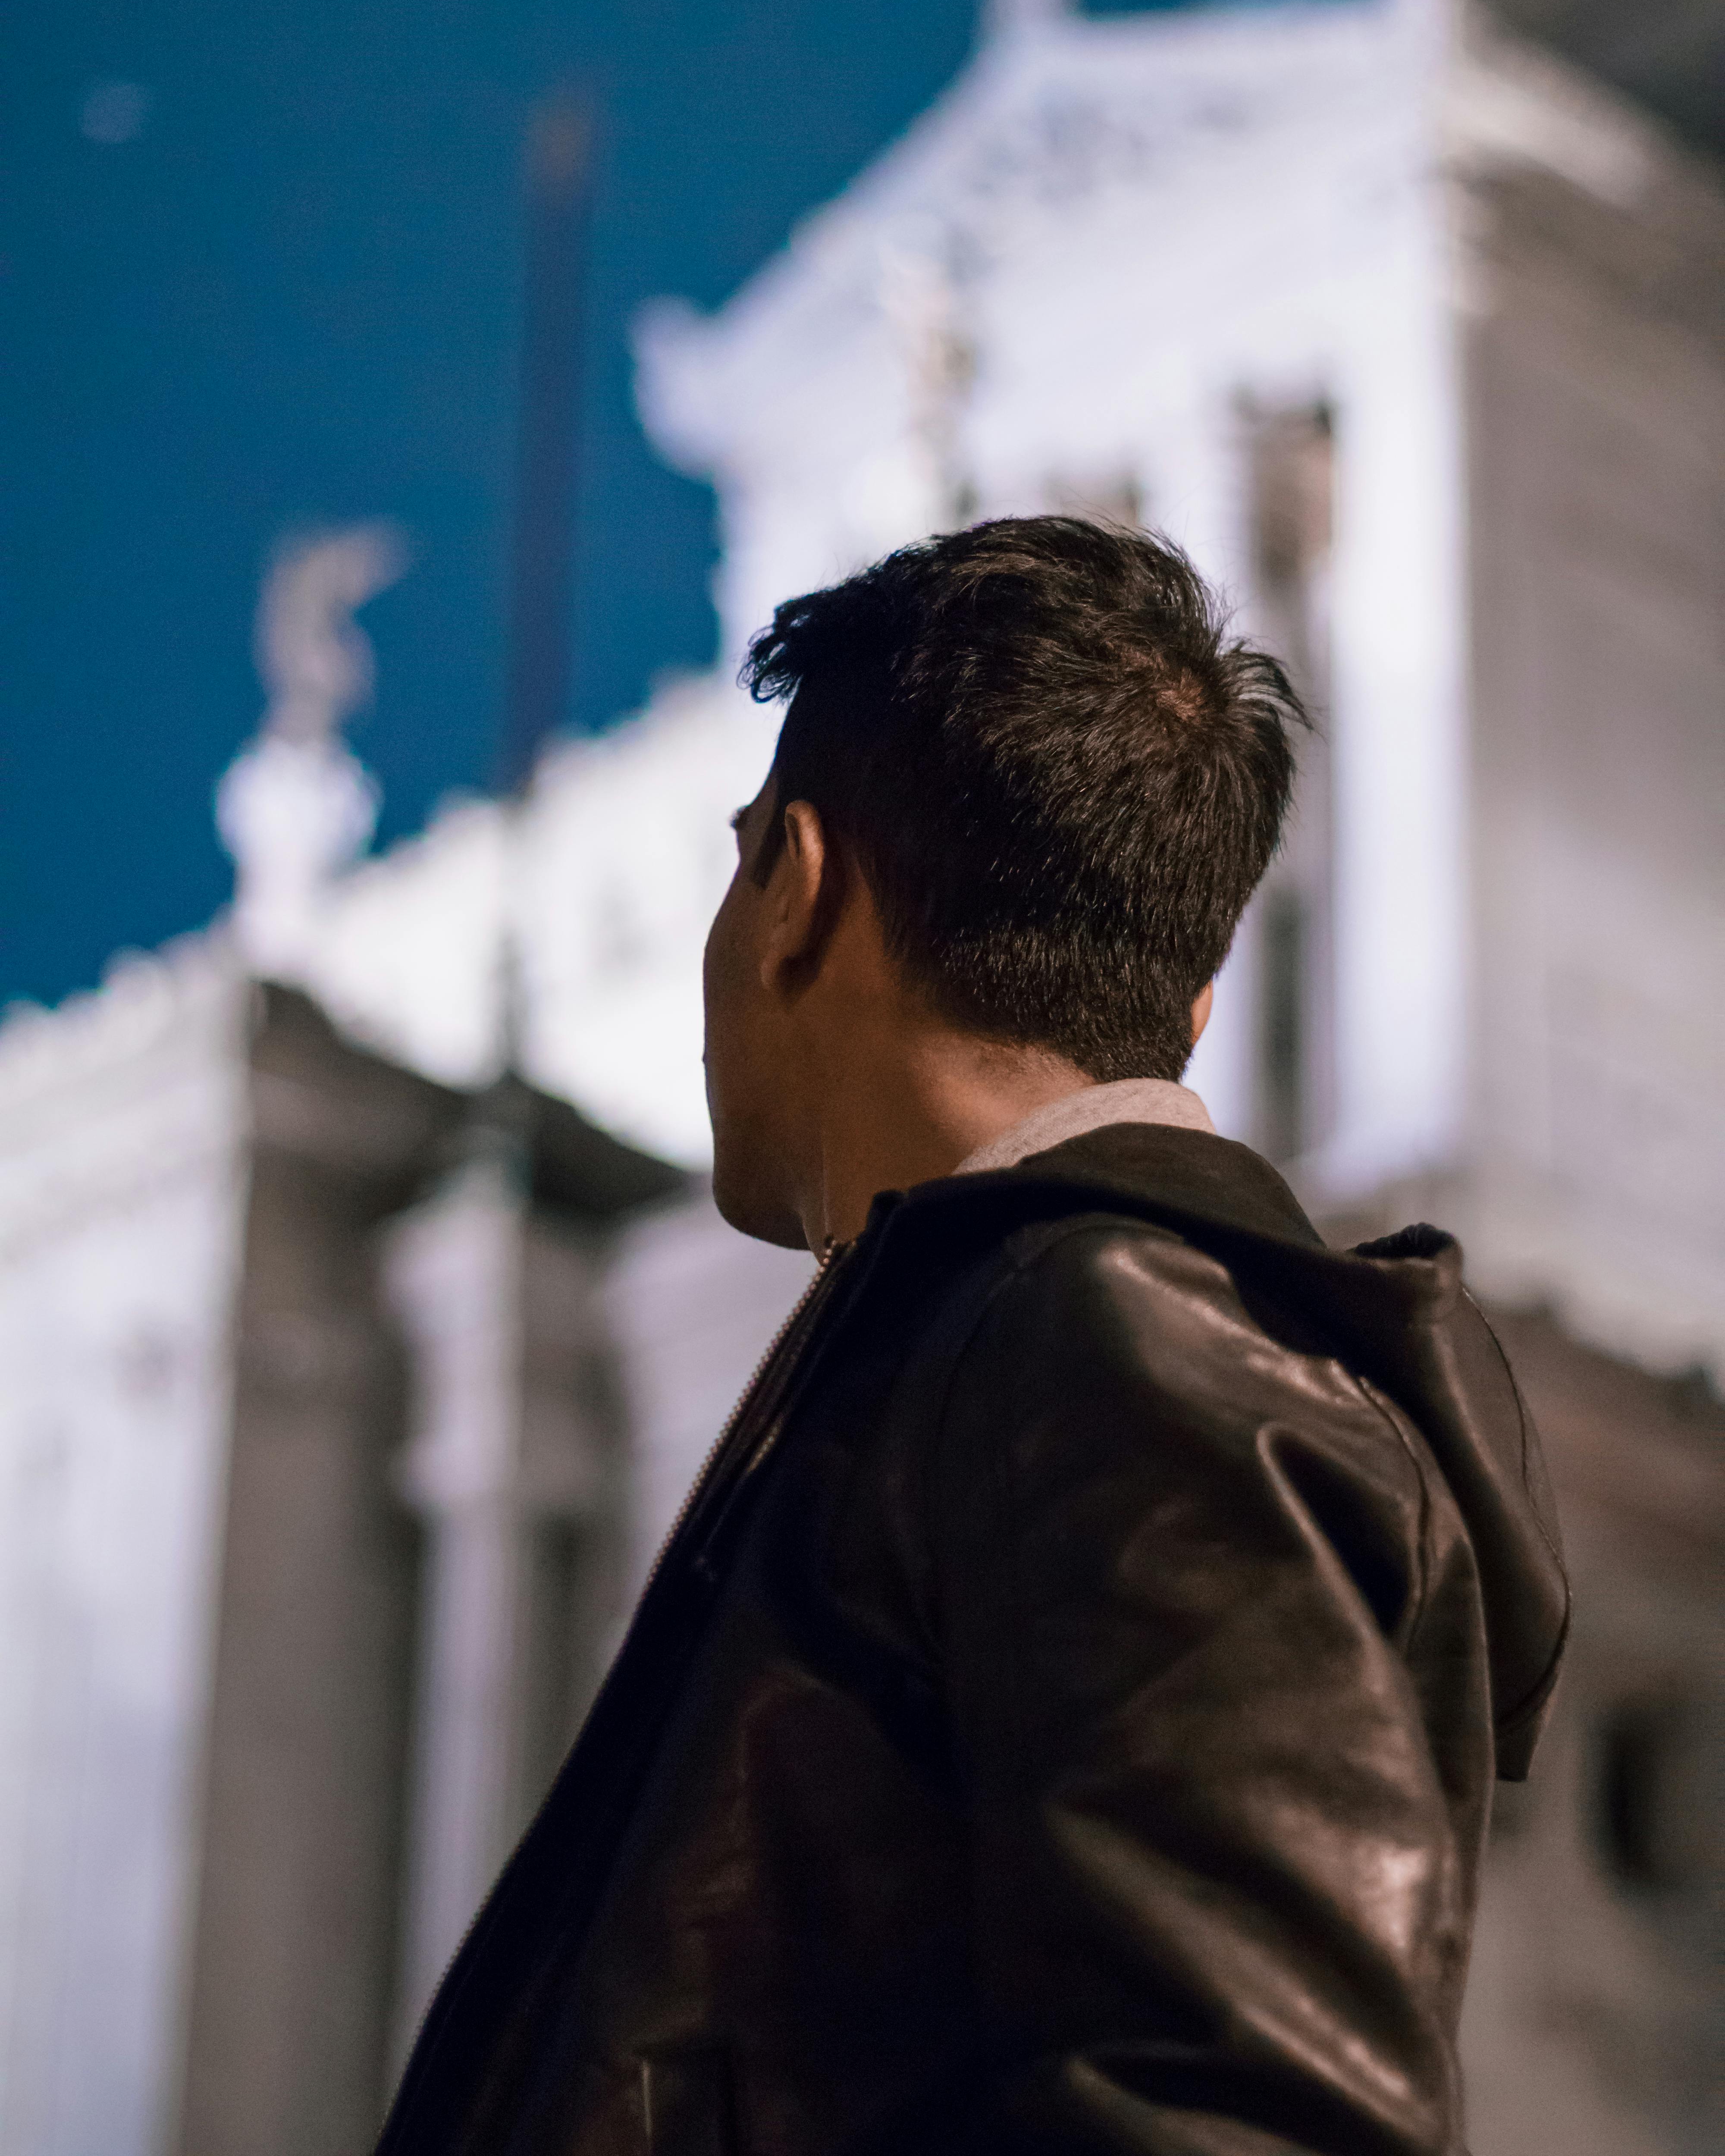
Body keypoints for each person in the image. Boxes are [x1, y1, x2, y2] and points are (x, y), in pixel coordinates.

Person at [378, 516, 1568, 2156]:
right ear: (1197, 995)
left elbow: (1247, 2118)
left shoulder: (1116, 1351)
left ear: (798, 889)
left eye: (739, 859)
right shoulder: (1040, 1343)